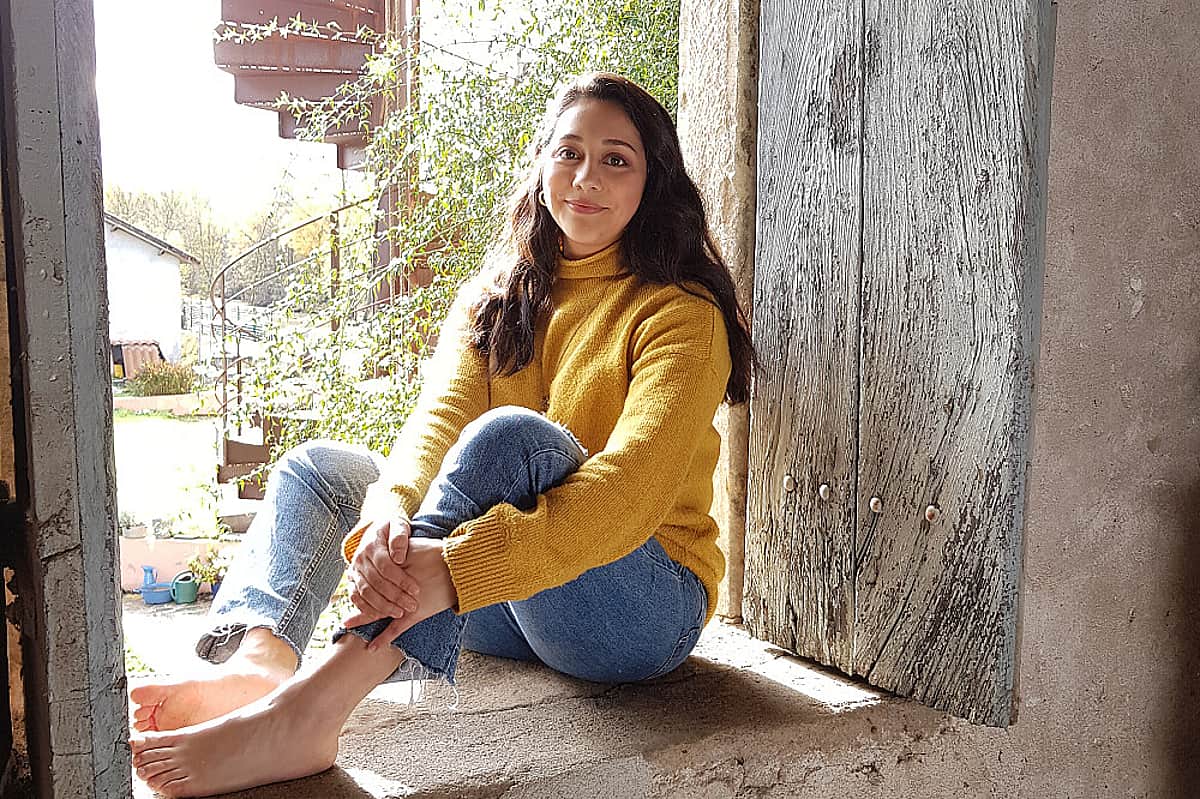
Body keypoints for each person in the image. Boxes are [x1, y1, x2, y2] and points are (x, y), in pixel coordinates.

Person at [128, 71, 756, 797]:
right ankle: (259, 663)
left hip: (631, 607)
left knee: (515, 438)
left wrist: (450, 565)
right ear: (542, 164)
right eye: (569, 152)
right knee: (317, 471)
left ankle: (313, 707)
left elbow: (629, 494)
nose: (587, 177)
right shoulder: (499, 295)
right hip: (503, 598)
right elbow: (437, 420)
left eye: (617, 159)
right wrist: (387, 518)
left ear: (654, 182)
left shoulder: (680, 312)